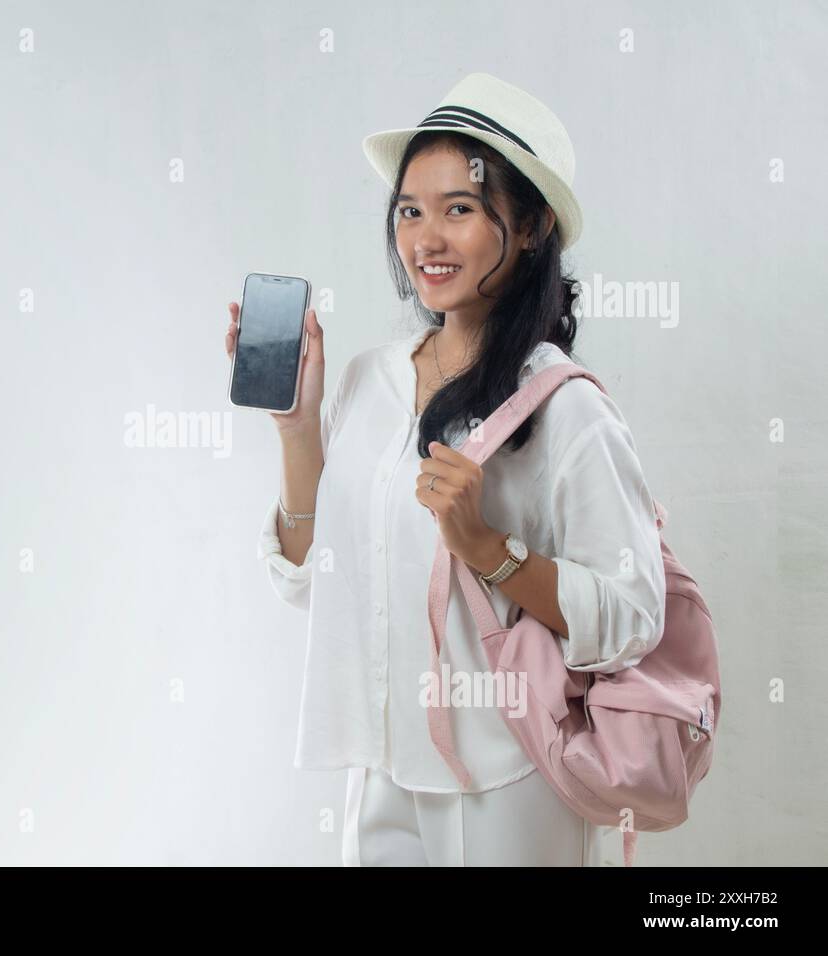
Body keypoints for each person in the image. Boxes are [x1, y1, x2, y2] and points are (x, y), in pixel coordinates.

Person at [224, 74, 666, 866]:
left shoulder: (564, 408)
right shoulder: (367, 379)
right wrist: (297, 430)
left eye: (459, 209)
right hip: (382, 769)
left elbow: (633, 615)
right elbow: (309, 583)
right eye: (410, 211)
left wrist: (487, 546)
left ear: (528, 226)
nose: (426, 238)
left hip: (508, 779)